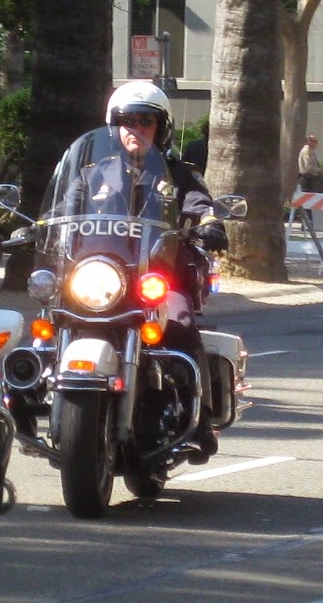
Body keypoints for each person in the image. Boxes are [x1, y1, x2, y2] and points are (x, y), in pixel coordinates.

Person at [55, 81, 227, 462]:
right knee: (51, 320)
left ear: (160, 127)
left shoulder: (179, 176)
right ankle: (33, 393)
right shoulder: (91, 174)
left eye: (146, 121)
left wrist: (209, 224)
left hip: (159, 279)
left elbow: (201, 205)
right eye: (127, 121)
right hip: (100, 278)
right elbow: (61, 213)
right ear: (114, 126)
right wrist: (38, 226)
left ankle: (200, 422)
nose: (136, 129)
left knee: (181, 322)